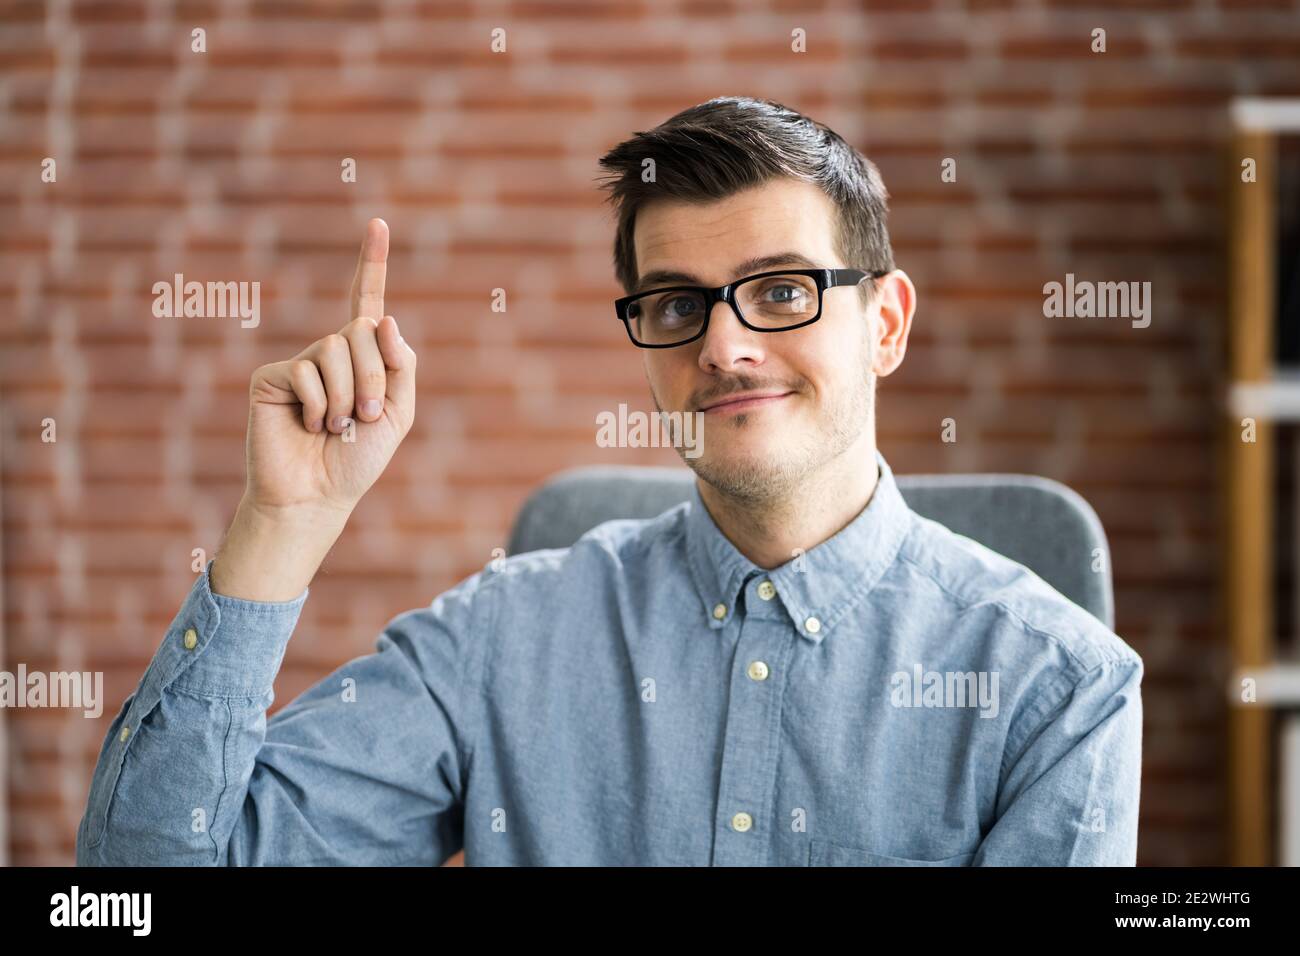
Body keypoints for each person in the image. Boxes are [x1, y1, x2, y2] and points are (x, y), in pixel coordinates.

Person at [76, 95, 1142, 866]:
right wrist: (282, 524)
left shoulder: (1062, 686)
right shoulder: (501, 641)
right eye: (677, 304)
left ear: (888, 324)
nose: (723, 347)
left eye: (780, 291)